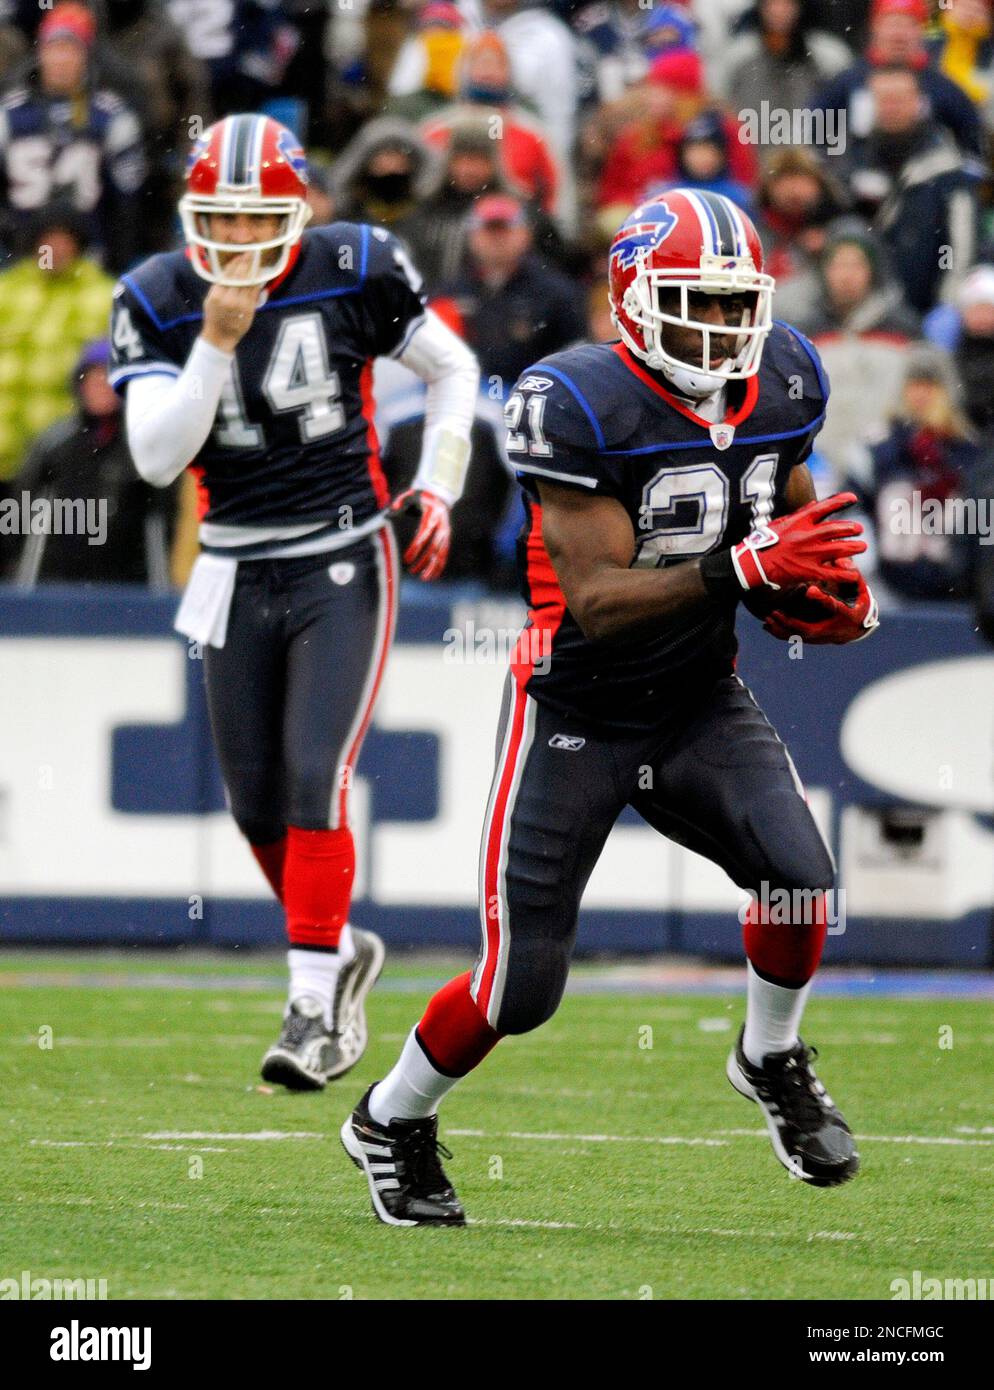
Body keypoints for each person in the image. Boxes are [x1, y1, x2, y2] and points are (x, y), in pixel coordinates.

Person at [341, 190, 877, 1226]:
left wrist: (814, 578)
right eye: (695, 304)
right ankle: (390, 1116)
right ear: (632, 299)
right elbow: (599, 598)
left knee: (801, 882)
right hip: (575, 705)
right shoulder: (574, 398)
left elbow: (780, 485)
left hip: (696, 695)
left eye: (734, 306)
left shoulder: (783, 376)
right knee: (519, 988)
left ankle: (769, 1055)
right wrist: (744, 565)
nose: (720, 331)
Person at [109, 113, 479, 1091]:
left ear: (299, 210)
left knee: (316, 772)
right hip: (232, 565)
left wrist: (437, 482)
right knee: (254, 802)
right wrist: (213, 346)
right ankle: (338, 947)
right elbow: (155, 457)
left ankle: (313, 1005)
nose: (235, 240)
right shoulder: (156, 295)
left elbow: (453, 371)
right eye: (220, 219)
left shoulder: (355, 262)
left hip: (340, 555)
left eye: (256, 217)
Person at [8, 340, 181, 586]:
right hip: (56, 583)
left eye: (108, 378)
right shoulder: (54, 445)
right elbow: (21, 511)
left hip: (126, 586)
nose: (100, 387)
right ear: (80, 385)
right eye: (93, 378)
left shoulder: (142, 447)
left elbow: (162, 521)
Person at [0, 2, 146, 273]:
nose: (62, 59)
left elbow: (126, 202)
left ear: (86, 55)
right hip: (17, 256)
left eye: (71, 49)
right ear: (40, 52)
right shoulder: (9, 113)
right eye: (54, 48)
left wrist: (115, 261)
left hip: (89, 258)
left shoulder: (112, 116)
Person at [0, 206, 115, 481]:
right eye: (48, 241)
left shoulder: (104, 294)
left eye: (64, 241)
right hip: (6, 441)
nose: (55, 250)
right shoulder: (7, 289)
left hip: (67, 451)